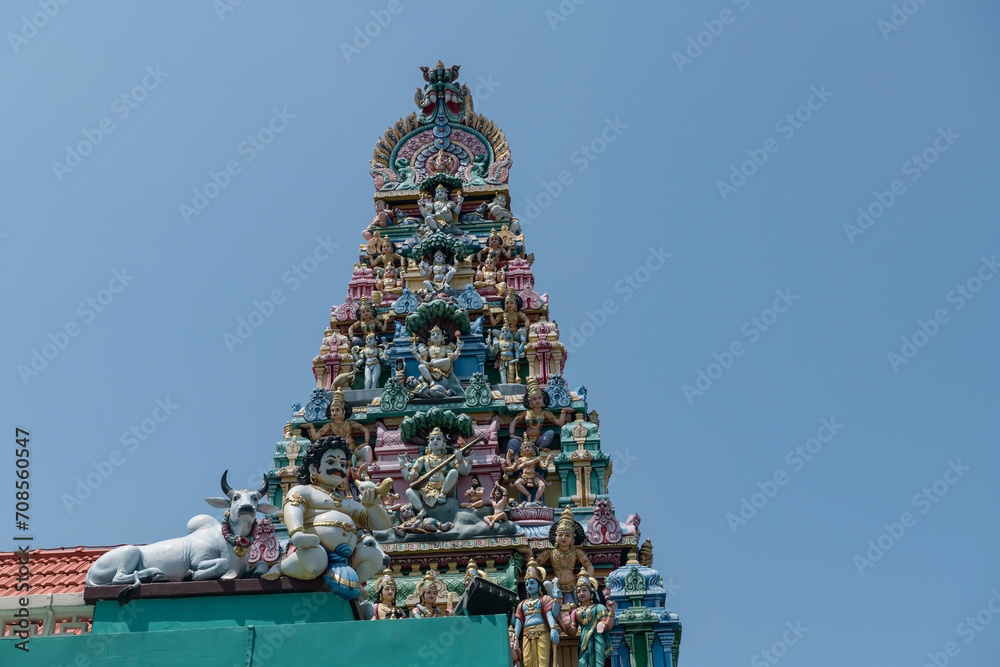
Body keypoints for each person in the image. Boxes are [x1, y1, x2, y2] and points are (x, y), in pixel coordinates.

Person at [261, 436, 392, 599]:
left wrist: (372, 506)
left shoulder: (348, 502)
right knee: (316, 561)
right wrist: (297, 533)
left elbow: (381, 525)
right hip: (314, 546)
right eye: (331, 462)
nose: (339, 468)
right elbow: (293, 507)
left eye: (343, 464)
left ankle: (352, 581)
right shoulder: (305, 491)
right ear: (314, 469)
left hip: (345, 556)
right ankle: (281, 568)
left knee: (374, 557)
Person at [568, 570, 616, 667]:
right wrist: (566, 624)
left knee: (599, 664)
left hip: (598, 639)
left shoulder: (599, 607)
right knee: (582, 663)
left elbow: (608, 626)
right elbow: (572, 632)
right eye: (578, 591)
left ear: (592, 594)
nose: (581, 593)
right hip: (584, 642)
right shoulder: (575, 612)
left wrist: (611, 612)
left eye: (584, 590)